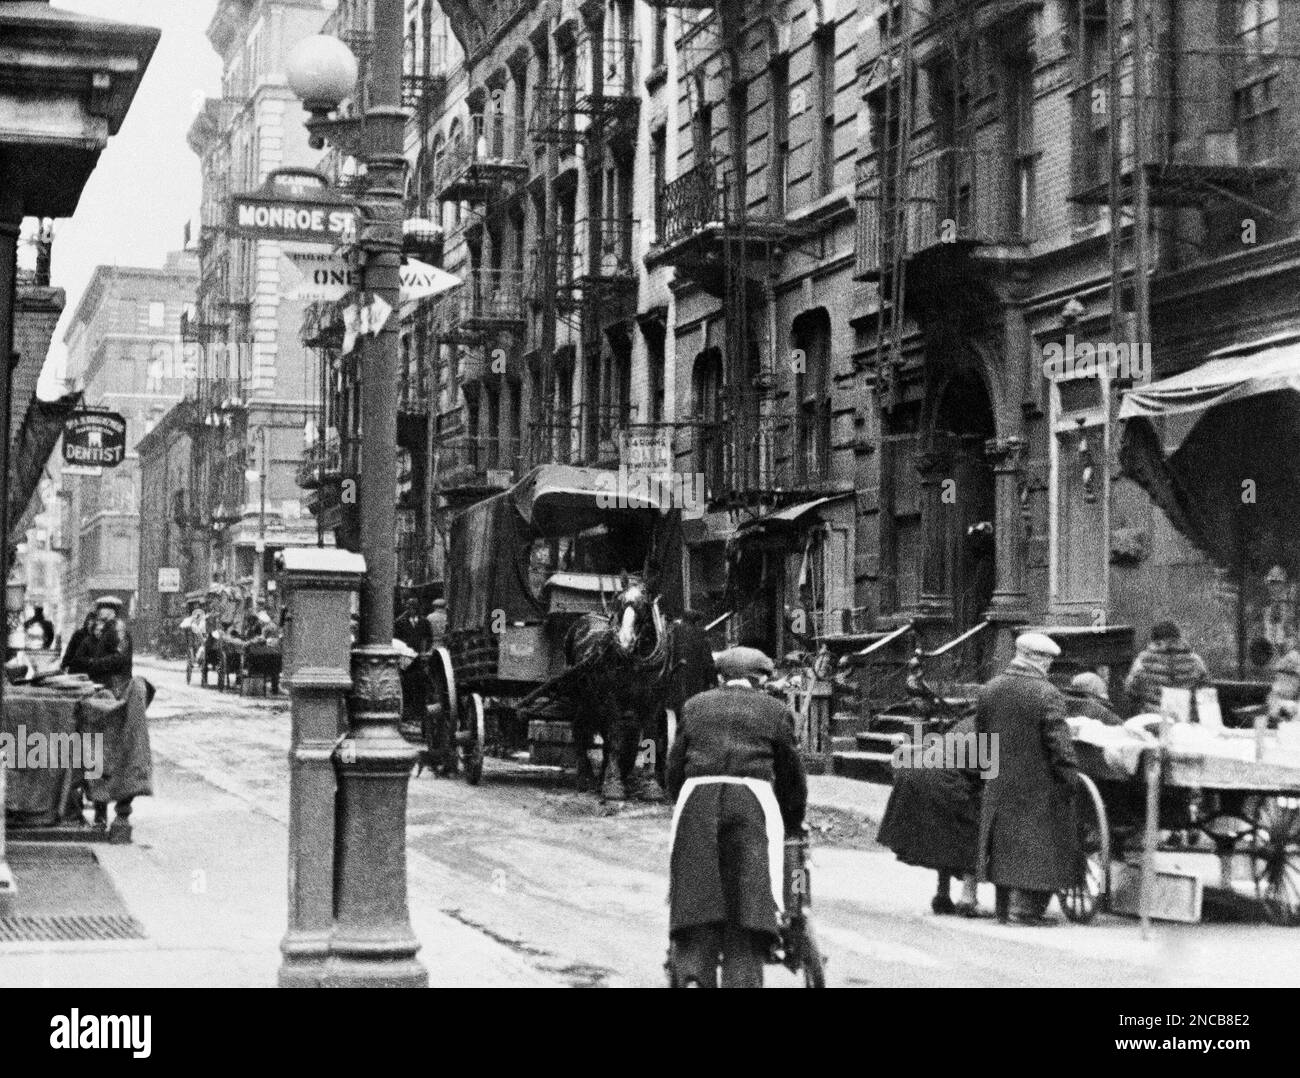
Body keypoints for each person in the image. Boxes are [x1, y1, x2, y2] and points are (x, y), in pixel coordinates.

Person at [666, 646, 807, 987]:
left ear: (720, 679)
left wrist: (680, 802)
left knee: (696, 895)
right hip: (751, 807)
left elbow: (673, 767)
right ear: (761, 680)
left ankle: (692, 978)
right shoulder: (775, 711)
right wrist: (791, 820)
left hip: (697, 802)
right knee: (747, 902)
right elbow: (791, 775)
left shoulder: (694, 706)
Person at [976, 632, 1080, 927]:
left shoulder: (989, 689)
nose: (1049, 666)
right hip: (1038, 785)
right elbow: (1060, 745)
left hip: (999, 781)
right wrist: (1069, 778)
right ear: (1038, 659)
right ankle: (1027, 910)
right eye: (1048, 660)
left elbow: (982, 737)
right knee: (1041, 842)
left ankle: (1003, 908)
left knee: (1003, 843)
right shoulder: (1047, 694)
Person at [877, 714, 986, 917]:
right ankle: (968, 897)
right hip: (941, 776)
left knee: (943, 834)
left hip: (915, 771)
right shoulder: (993, 726)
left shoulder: (967, 721)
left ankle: (942, 895)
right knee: (976, 826)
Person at [1124, 620, 1210, 715]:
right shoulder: (1195, 661)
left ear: (1154, 639)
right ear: (1179, 638)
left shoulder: (1144, 660)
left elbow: (1131, 690)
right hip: (1185, 721)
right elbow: (1205, 691)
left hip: (1153, 720)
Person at [667, 609, 718, 719]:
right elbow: (707, 660)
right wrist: (714, 680)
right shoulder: (701, 633)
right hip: (696, 681)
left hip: (675, 681)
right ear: (696, 621)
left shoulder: (672, 632)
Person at [83, 597, 134, 696]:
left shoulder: (119, 630)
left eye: (102, 608)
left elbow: (120, 657)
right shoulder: (109, 628)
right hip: (107, 682)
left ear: (111, 611)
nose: (98, 611)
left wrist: (96, 663)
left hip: (116, 684)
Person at [395, 597, 432, 732]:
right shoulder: (400, 623)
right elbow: (397, 640)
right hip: (406, 657)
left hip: (419, 658)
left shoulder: (424, 622)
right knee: (406, 684)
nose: (411, 610)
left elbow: (428, 638)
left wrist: (425, 651)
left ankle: (418, 711)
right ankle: (407, 712)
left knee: (420, 684)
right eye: (409, 607)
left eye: (414, 608)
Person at [1266, 649, 1300, 723]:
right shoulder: (1274, 696)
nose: (1284, 678)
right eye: (1282, 674)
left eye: (1291, 675)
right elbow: (1273, 713)